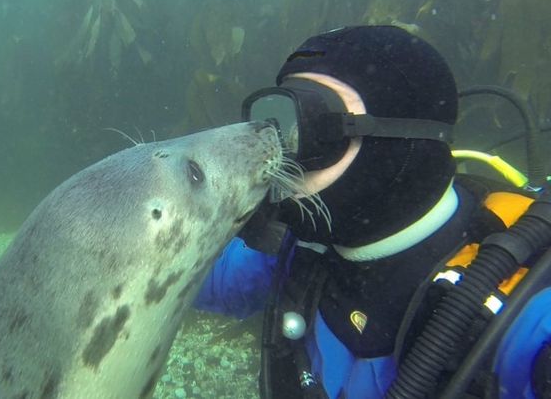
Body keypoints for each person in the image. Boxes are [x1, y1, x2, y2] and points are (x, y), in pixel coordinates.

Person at [194, 25, 551, 398]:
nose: (283, 160)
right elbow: (203, 275)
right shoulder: (300, 250)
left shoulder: (525, 316)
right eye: (281, 127)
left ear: (399, 144)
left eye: (314, 128)